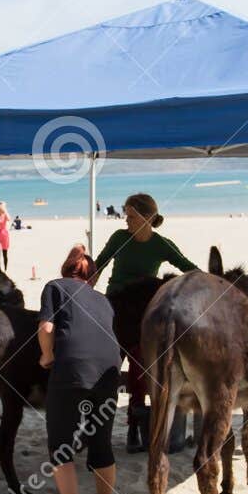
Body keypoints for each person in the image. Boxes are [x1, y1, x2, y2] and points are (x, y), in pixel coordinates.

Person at [88, 193, 198, 454]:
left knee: (139, 371)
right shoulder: (119, 238)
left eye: (131, 216)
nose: (126, 220)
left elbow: (189, 269)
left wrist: (213, 285)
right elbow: (97, 266)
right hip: (114, 310)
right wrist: (82, 292)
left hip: (143, 315)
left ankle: (133, 429)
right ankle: (96, 430)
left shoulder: (161, 244)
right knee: (107, 371)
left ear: (148, 217)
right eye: (126, 215)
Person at [37, 244, 120, 494]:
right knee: (102, 442)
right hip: (110, 369)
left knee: (61, 446)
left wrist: (46, 356)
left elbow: (46, 328)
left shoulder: (55, 287)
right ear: (92, 277)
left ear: (65, 270)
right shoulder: (103, 300)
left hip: (72, 368)